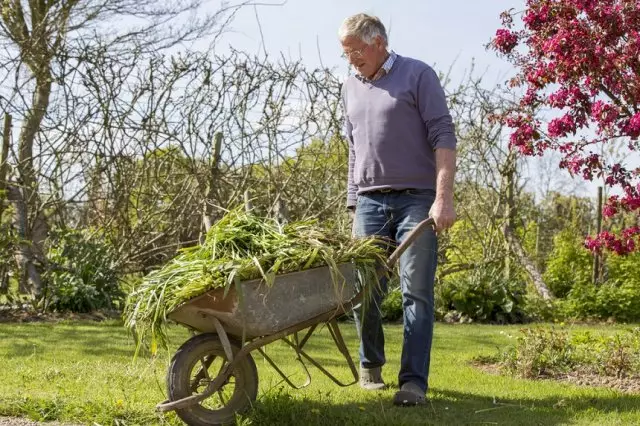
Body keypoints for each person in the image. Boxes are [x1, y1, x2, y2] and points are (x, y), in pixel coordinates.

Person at [338, 13, 457, 406]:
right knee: (364, 288)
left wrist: (443, 198)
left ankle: (413, 383)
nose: (351, 59)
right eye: (346, 53)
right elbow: (355, 149)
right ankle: (370, 365)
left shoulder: (418, 75)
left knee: (416, 292)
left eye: (355, 50)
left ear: (378, 43)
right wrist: (354, 201)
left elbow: (443, 134)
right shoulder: (350, 87)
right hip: (370, 200)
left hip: (417, 199)